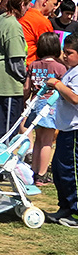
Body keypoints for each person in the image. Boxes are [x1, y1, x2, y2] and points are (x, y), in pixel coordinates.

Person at [0, 0, 34, 142]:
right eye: (27, 5)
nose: (28, 8)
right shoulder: (13, 25)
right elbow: (16, 61)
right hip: (7, 86)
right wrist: (25, 79)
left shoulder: (1, 19)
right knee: (5, 133)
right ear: (22, 4)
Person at [24, 32, 66, 186]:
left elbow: (26, 87)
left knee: (38, 140)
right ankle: (42, 174)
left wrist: (24, 102)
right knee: (47, 142)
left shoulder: (34, 65)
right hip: (50, 104)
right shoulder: (60, 67)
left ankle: (33, 171)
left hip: (35, 102)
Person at [46, 33, 78, 227]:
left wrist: (57, 84)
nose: (65, 56)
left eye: (69, 52)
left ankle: (74, 210)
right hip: (65, 127)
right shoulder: (71, 70)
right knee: (59, 169)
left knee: (70, 170)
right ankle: (65, 206)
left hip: (75, 129)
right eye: (63, 52)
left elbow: (75, 99)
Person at [19, 0, 59, 65]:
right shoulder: (42, 22)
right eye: (54, 4)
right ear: (45, 2)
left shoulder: (24, 15)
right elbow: (51, 49)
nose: (55, 8)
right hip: (30, 66)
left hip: (18, 63)